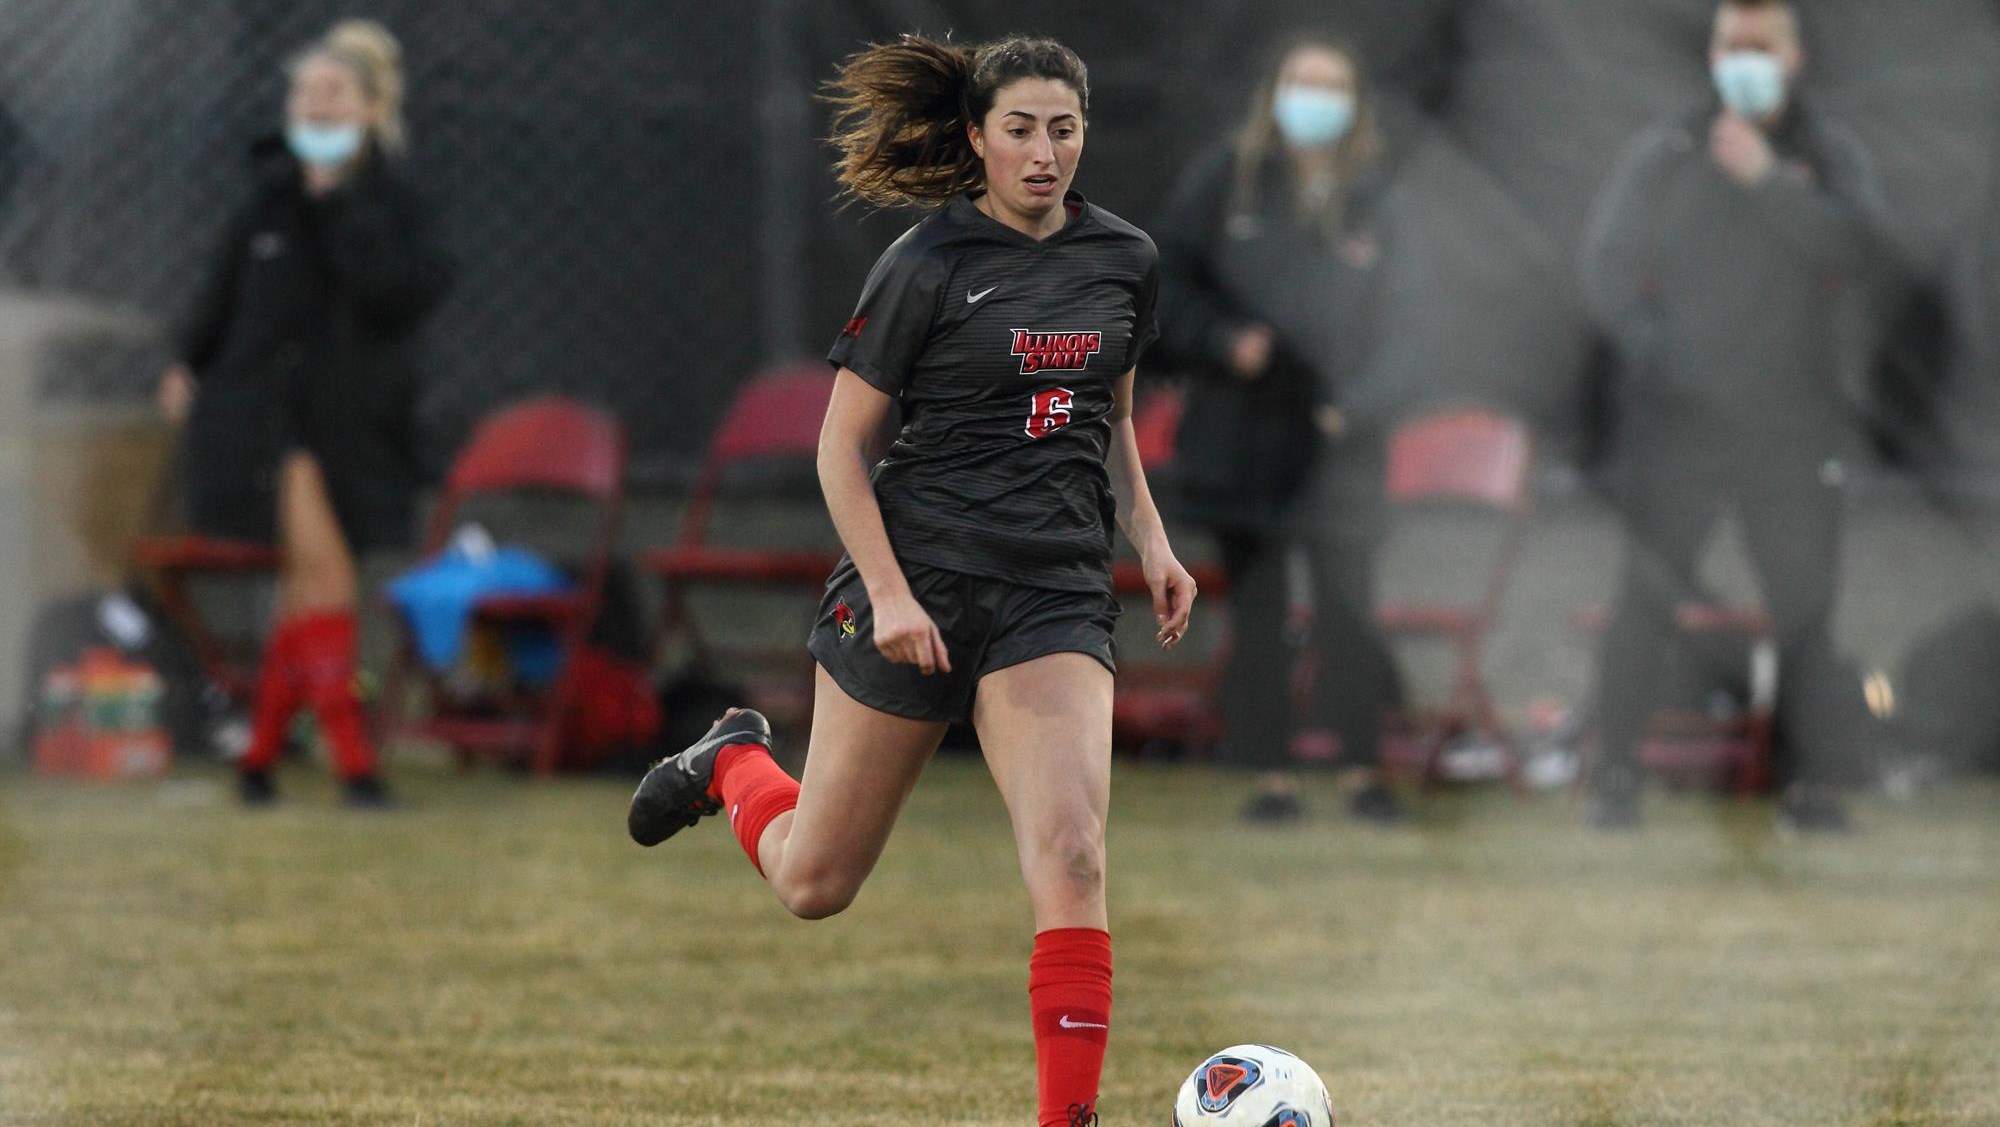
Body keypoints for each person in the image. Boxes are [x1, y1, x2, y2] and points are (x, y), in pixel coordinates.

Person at [627, 34, 1195, 1127]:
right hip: (919, 578)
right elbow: (839, 449)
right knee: (814, 883)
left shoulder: (1125, 258)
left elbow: (1109, 418)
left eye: (1063, 130)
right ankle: (734, 762)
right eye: (1020, 130)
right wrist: (887, 593)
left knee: (1072, 853)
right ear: (976, 137)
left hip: (1055, 592)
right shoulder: (926, 263)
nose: (1043, 153)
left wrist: (1152, 540)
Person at [1579, 0, 1893, 832]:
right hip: (1676, 422)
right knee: (1645, 597)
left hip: (1792, 424)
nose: (1743, 59)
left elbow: (1860, 249)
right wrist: (1661, 356)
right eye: (1731, 44)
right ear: (1710, 52)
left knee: (1804, 604)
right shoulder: (1667, 151)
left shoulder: (1826, 154)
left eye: (1762, 45)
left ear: (1794, 57)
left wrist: (1767, 182)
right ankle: (1614, 779)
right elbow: (1607, 267)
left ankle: (1803, 784)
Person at [159, 20, 452, 807]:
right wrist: (190, 362)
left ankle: (257, 758)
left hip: (352, 428)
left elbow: (403, 292)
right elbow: (220, 297)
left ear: (372, 107)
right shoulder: (266, 203)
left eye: (335, 94)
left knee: (310, 586)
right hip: (265, 424)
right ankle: (353, 763)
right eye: (306, 92)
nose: (315, 107)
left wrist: (341, 207)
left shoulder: (394, 207)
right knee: (324, 575)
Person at [1153, 35, 1405, 825]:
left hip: (1342, 441)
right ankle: (1270, 778)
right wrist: (1222, 340)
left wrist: (1362, 399)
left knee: (1348, 608)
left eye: (1332, 86)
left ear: (1356, 104)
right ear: (1275, 92)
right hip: (1242, 431)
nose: (1315, 99)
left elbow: (1418, 320)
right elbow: (1163, 281)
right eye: (1302, 82)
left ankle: (1363, 771)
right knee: (1260, 612)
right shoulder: (1229, 181)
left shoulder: (1379, 195)